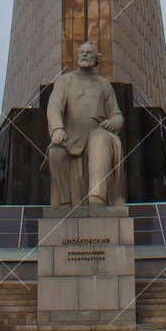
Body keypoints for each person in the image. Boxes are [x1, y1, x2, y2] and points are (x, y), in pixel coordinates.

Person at [46, 41, 125, 207]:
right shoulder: (65, 81)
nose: (84, 55)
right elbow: (54, 107)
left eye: (89, 52)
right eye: (81, 52)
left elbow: (117, 114)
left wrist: (113, 123)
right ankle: (66, 202)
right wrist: (57, 129)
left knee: (101, 141)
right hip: (69, 136)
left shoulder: (104, 84)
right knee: (55, 152)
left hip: (96, 133)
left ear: (96, 59)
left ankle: (97, 197)